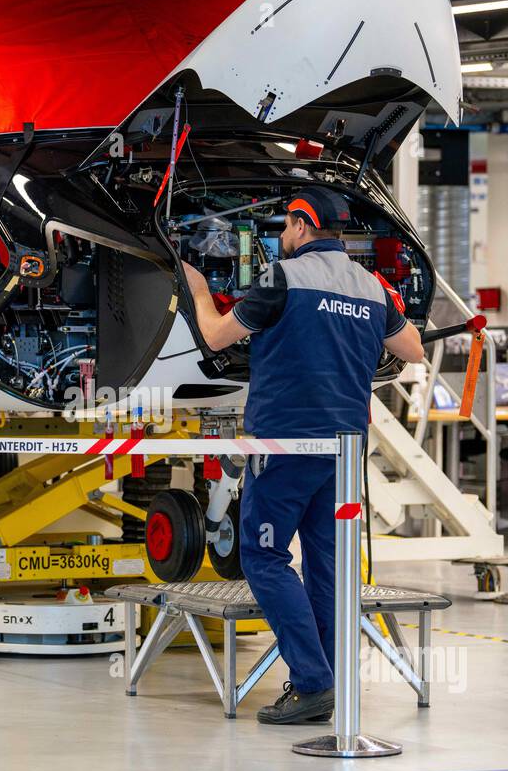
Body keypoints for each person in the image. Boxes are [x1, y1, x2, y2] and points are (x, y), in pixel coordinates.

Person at [181, 186, 424, 724]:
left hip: (286, 445)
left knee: (263, 557)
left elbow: (219, 338)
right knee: (327, 566)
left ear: (301, 223)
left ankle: (312, 682)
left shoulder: (281, 278)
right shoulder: (371, 286)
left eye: (285, 226)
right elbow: (413, 350)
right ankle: (329, 683)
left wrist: (198, 290)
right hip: (344, 449)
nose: (281, 236)